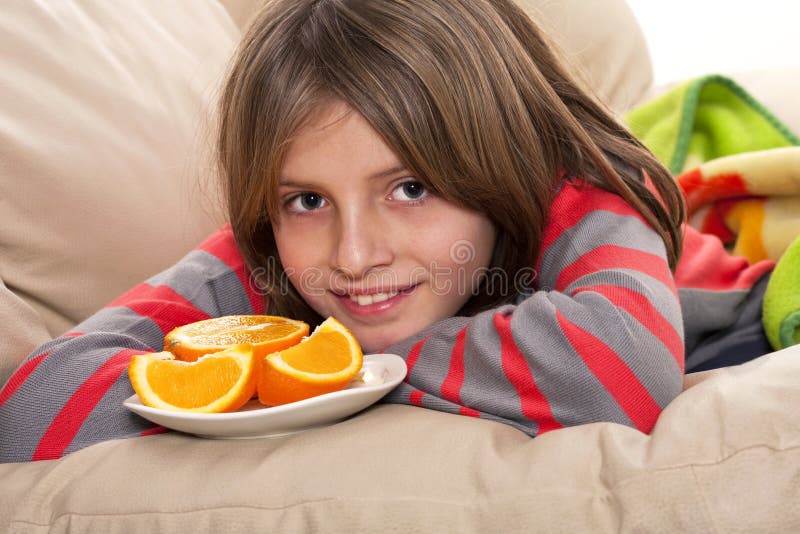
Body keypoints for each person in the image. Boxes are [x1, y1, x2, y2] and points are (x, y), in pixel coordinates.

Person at [0, 0, 774, 463]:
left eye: (409, 187)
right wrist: (283, 383)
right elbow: (33, 409)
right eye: (307, 200)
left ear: (498, 162)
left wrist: (337, 372)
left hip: (726, 310)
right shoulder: (272, 251)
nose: (354, 254)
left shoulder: (578, 185)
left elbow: (616, 366)